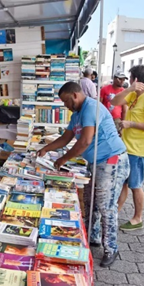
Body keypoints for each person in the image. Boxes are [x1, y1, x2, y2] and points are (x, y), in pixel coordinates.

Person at [37, 82, 129, 267]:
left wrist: (63, 159)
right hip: (95, 162)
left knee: (105, 205)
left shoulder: (90, 108)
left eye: (66, 101)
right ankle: (93, 237)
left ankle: (111, 248)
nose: (65, 106)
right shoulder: (77, 113)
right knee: (90, 202)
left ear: (75, 95)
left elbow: (85, 141)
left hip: (111, 160)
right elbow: (66, 138)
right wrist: (45, 149)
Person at [111, 65, 144, 231]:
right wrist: (128, 90)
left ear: (136, 79)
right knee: (124, 183)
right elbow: (114, 102)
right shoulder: (133, 94)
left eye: (130, 78)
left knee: (135, 185)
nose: (128, 81)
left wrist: (131, 123)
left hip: (139, 151)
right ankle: (115, 212)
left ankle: (138, 218)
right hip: (127, 148)